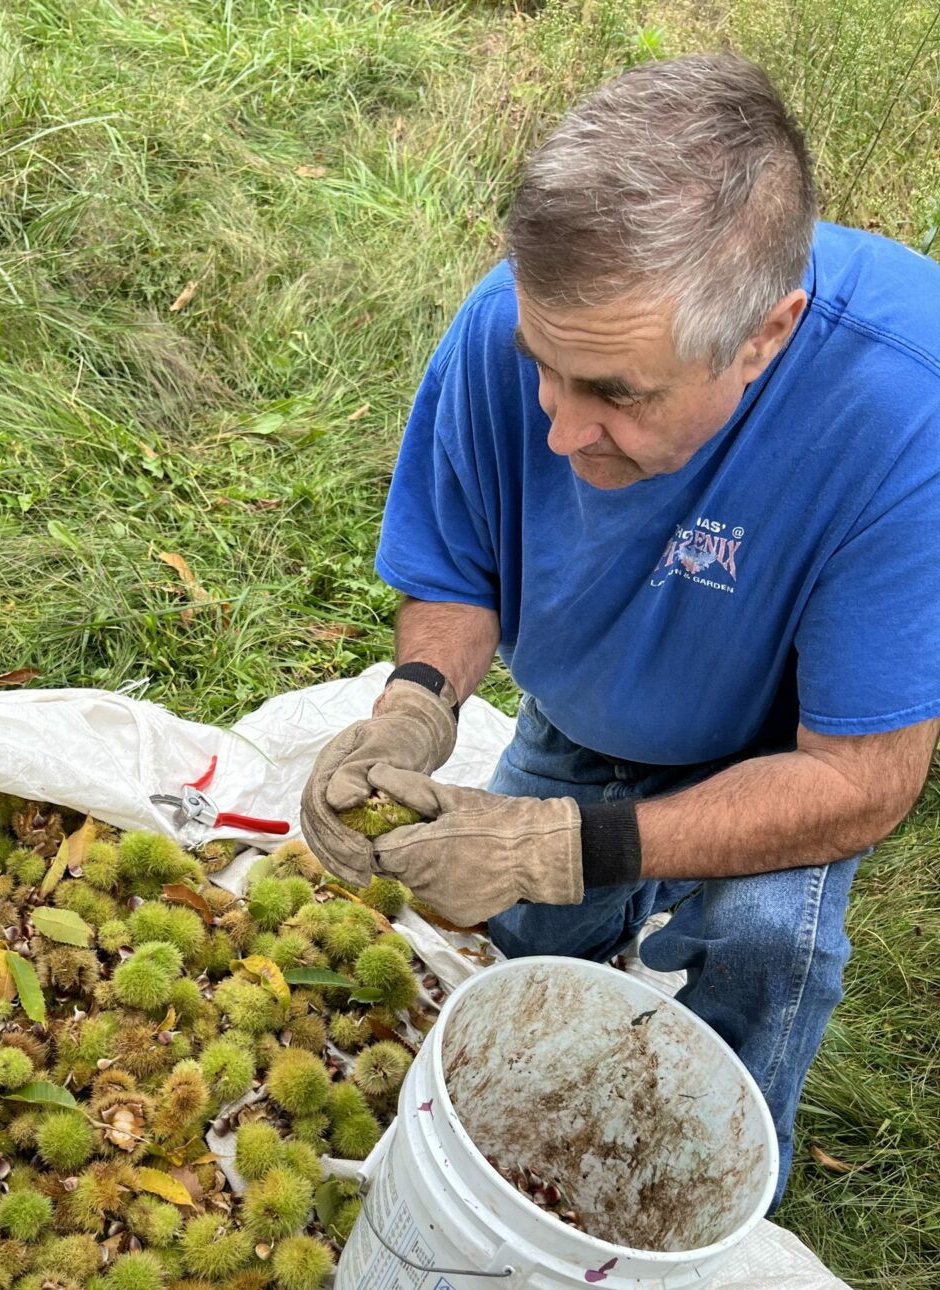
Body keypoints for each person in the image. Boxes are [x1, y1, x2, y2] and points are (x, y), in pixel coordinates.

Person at [301, 54, 940, 1202]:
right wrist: (412, 707)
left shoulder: (905, 407)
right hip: (584, 699)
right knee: (516, 975)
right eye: (544, 371)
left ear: (763, 334)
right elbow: (456, 565)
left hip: (776, 756)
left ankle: (695, 1205)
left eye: (615, 394)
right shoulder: (513, 323)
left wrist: (560, 840)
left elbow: (862, 781)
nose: (559, 429)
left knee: (759, 947)